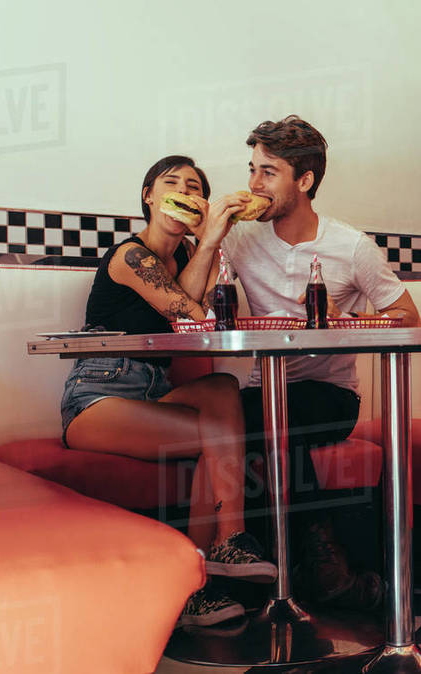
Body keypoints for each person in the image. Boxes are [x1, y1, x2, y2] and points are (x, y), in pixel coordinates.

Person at [60, 155, 274, 627]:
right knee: (218, 438)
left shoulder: (184, 259)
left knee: (221, 389)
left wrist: (210, 245)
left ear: (201, 203)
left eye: (194, 185)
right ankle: (201, 578)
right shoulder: (132, 255)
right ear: (149, 197)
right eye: (171, 182)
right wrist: (212, 238)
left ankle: (221, 550)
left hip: (153, 392)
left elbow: (203, 308)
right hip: (97, 396)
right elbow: (189, 314)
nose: (184, 189)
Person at [221, 115, 420, 611]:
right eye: (252, 170)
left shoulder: (351, 246)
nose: (253, 184)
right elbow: (199, 298)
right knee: (242, 417)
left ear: (304, 181)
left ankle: (296, 570)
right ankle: (319, 569)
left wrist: (343, 319)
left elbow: (407, 318)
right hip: (263, 391)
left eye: (268, 172)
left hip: (331, 396)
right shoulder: (241, 239)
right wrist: (210, 234)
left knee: (266, 422)